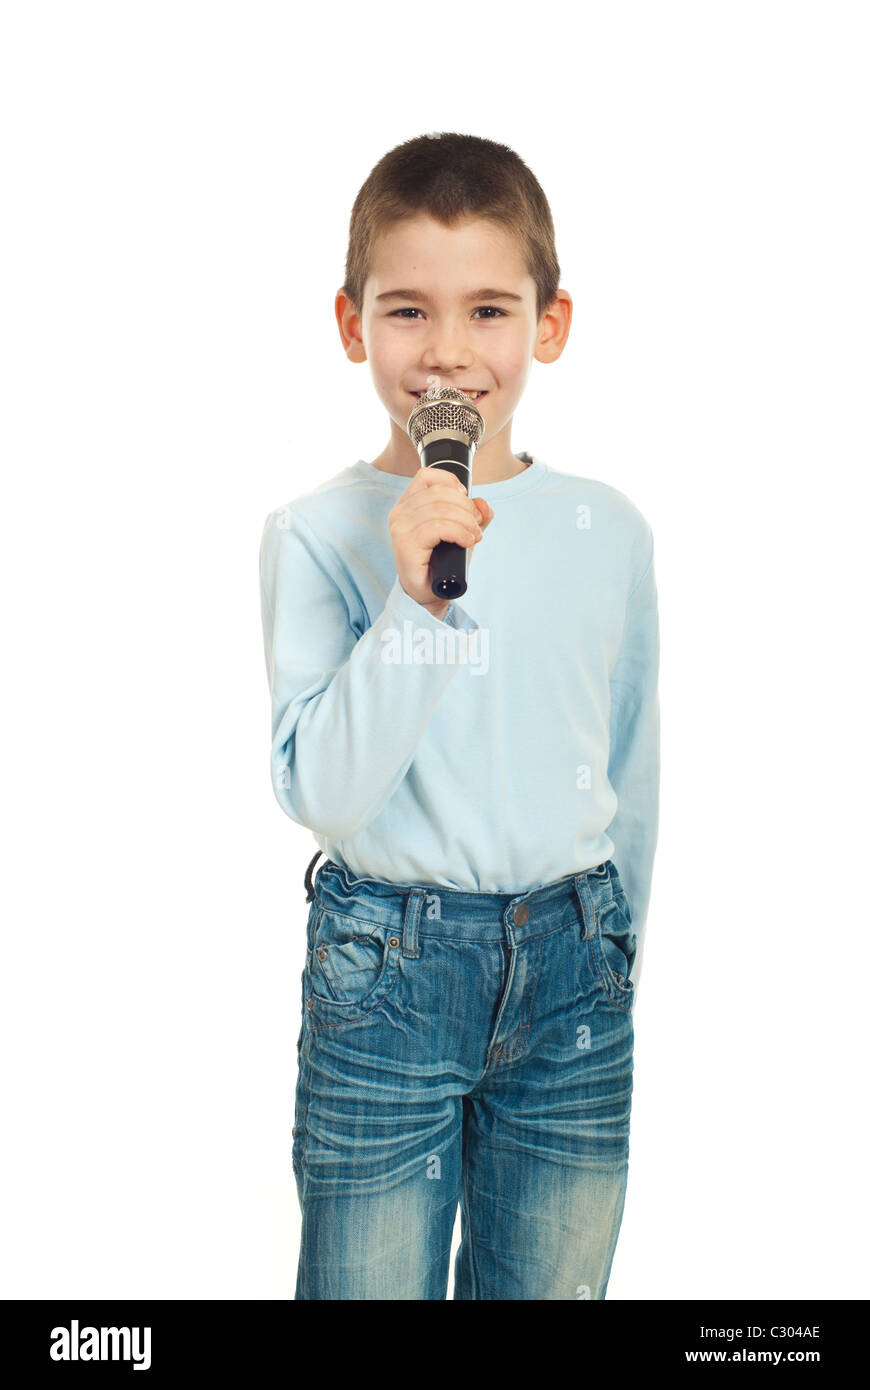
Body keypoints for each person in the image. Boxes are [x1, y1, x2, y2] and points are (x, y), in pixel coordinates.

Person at [258, 131, 660, 1300]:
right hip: (388, 972)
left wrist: (621, 961)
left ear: (550, 324)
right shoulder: (317, 534)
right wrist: (415, 599)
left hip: (571, 969)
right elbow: (325, 792)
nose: (446, 355)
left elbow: (630, 767)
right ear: (351, 326)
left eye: (488, 311)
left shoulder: (611, 531)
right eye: (406, 313)